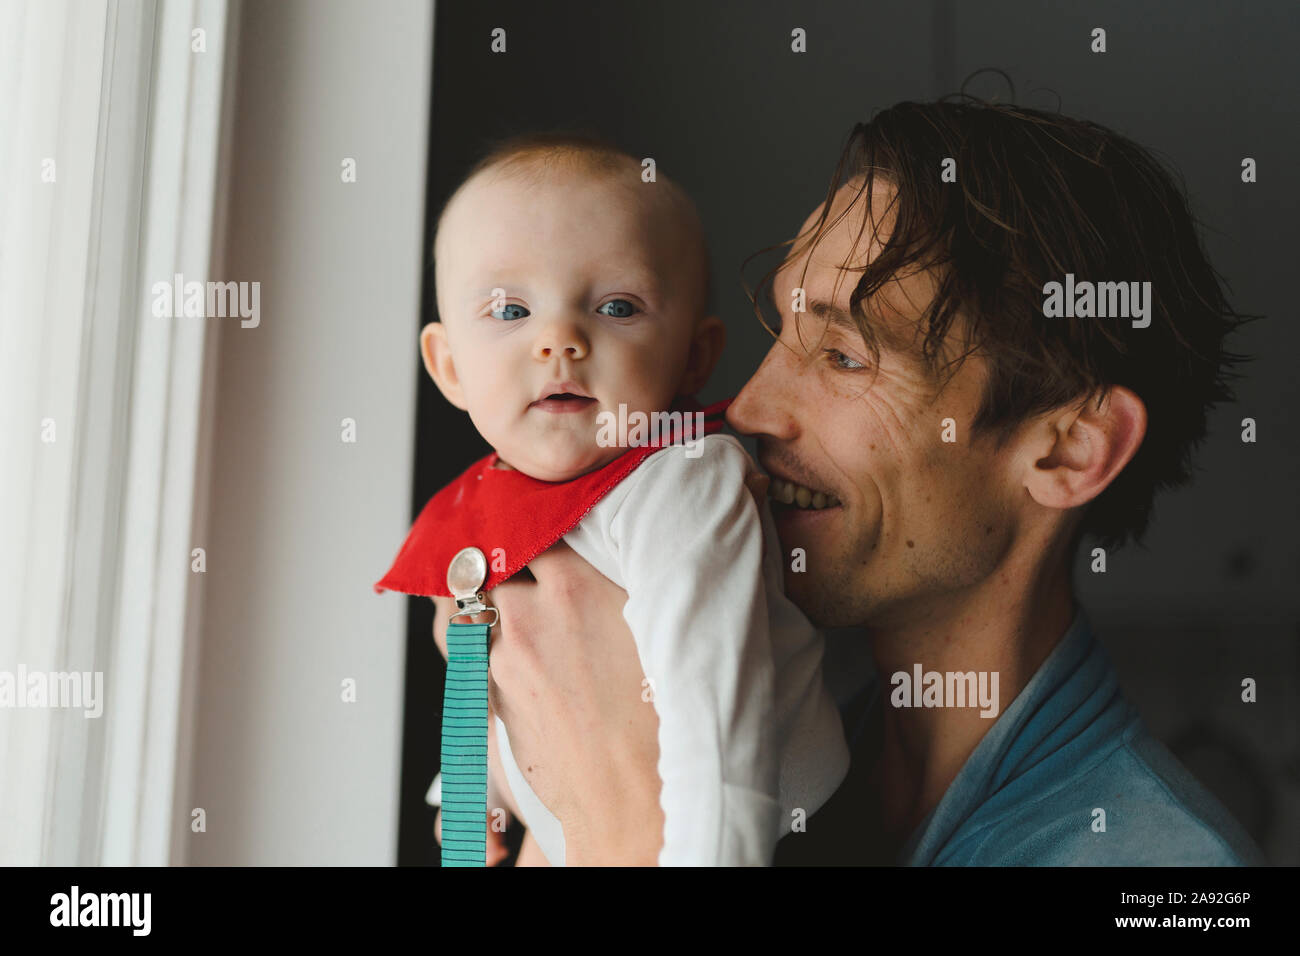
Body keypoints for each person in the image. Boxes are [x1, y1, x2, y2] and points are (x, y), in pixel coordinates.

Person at [437, 99, 1268, 865]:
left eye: (844, 356)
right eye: (780, 327)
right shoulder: (809, 750)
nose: (751, 407)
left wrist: (616, 825)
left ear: (1069, 450)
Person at [388, 132, 849, 866]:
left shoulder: (681, 483)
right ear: (448, 368)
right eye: (510, 311)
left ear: (694, 356)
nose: (559, 341)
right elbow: (497, 670)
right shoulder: (485, 506)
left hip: (749, 827)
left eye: (617, 306)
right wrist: (473, 794)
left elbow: (714, 719)